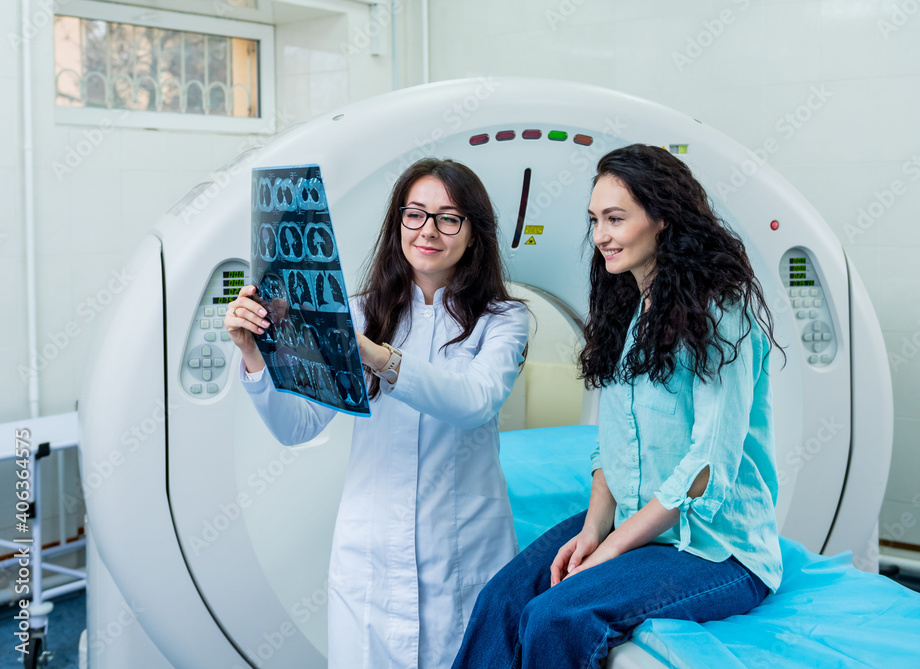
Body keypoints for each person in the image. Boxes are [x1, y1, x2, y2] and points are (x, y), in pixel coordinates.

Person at [452, 144, 784, 669]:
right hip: (636, 518)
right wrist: (593, 530)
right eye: (594, 220)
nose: (600, 236)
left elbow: (704, 468)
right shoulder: (630, 306)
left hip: (716, 548)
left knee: (557, 617)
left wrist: (610, 552)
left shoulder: (721, 310)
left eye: (615, 219)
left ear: (663, 218)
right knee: (502, 599)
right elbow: (615, 440)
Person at [225, 158, 529, 669]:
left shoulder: (503, 320)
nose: (428, 230)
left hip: (465, 556)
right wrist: (254, 354)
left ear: (474, 234)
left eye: (449, 217)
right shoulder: (359, 311)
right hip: (370, 565)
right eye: (415, 214)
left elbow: (473, 403)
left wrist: (370, 352)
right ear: (398, 225)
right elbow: (297, 426)